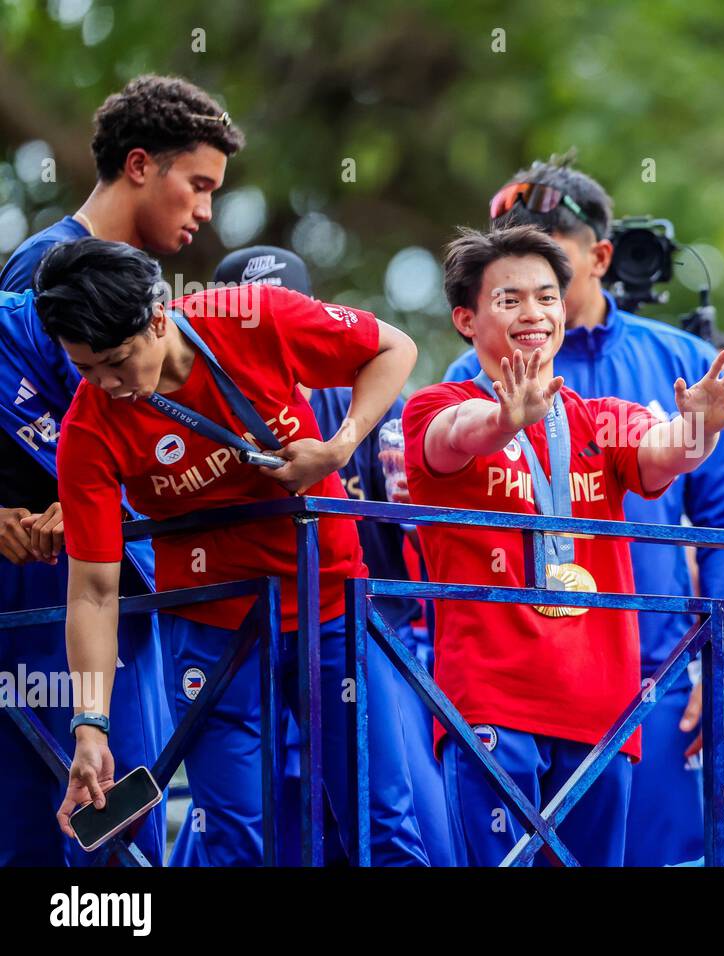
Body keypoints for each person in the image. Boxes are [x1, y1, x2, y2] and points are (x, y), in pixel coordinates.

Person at [36, 237, 427, 866]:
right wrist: (90, 724)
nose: (107, 384)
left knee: (381, 821)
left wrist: (339, 446)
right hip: (212, 635)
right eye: (86, 369)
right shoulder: (88, 429)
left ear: (158, 317)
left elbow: (392, 346)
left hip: (329, 608)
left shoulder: (252, 316)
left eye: (117, 360)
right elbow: (92, 590)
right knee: (235, 840)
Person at [405, 225, 724, 866]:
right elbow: (451, 439)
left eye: (546, 297)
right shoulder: (437, 404)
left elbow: (662, 453)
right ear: (466, 319)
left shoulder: (600, 416)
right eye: (509, 300)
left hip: (603, 711)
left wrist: (702, 429)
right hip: (490, 704)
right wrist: (503, 420)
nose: (534, 313)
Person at [0, 74, 243, 866]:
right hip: (58, 601)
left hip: (131, 594)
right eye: (198, 184)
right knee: (94, 813)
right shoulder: (46, 277)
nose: (206, 210)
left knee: (125, 802)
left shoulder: (138, 291)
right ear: (140, 165)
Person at [208, 245, 454, 866]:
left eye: (298, 304)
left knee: (409, 826)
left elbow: (420, 544)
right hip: (243, 639)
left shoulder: (375, 406)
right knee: (237, 831)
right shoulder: (197, 409)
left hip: (362, 632)